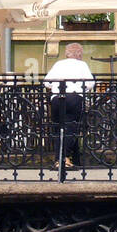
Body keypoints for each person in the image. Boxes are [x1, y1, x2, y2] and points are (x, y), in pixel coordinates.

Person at [45, 43, 95, 171]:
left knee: (58, 128)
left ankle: (59, 159)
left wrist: (57, 86)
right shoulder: (82, 65)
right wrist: (80, 87)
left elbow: (47, 82)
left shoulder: (59, 64)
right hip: (74, 98)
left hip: (57, 99)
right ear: (79, 54)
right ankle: (65, 159)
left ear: (67, 54)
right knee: (71, 127)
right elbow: (90, 83)